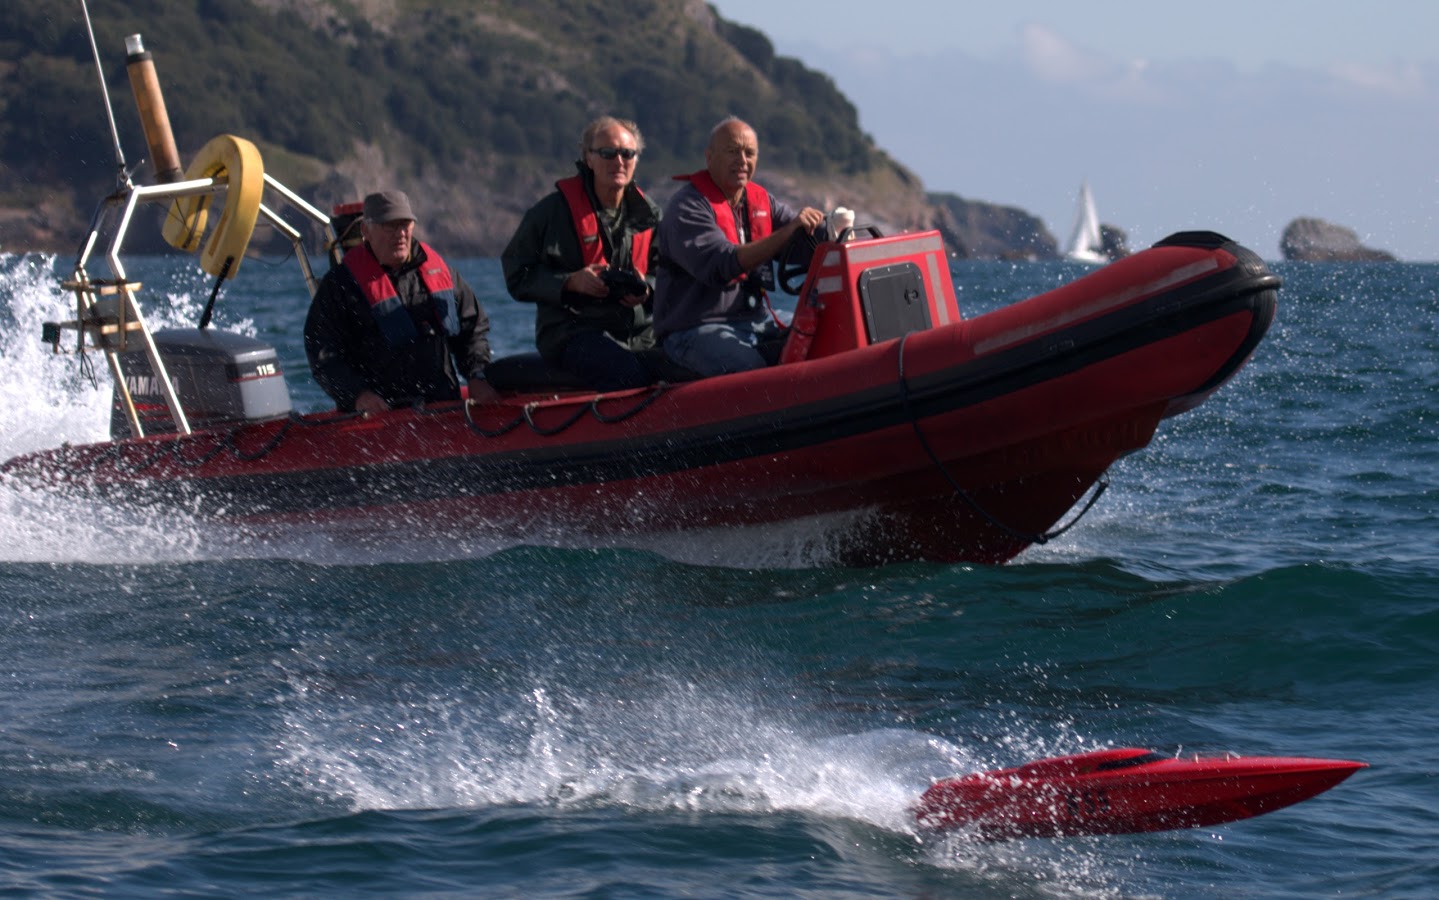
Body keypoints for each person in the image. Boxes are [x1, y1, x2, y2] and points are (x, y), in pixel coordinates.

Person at [653, 116, 827, 376]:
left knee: (823, 335)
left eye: (750, 153)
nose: (742, 160)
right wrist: (788, 232)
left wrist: (833, 232)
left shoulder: (760, 201)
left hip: (753, 321)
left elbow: (802, 240)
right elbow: (721, 265)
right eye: (733, 151)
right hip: (694, 329)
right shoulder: (687, 207)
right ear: (709, 157)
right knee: (752, 371)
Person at [501, 116, 663, 391]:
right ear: (588, 158)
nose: (619, 161)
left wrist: (646, 289)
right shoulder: (551, 213)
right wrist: (569, 282)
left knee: (684, 364)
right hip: (572, 332)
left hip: (637, 334)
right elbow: (517, 273)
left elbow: (671, 276)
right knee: (627, 374)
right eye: (608, 153)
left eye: (627, 153)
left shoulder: (650, 214)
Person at [304, 190, 500, 413]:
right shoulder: (341, 285)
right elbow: (322, 352)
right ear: (366, 230)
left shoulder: (441, 273)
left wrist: (477, 374)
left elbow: (472, 329)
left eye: (405, 224)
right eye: (390, 226)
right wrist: (357, 395)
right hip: (380, 414)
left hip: (442, 406)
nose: (400, 234)